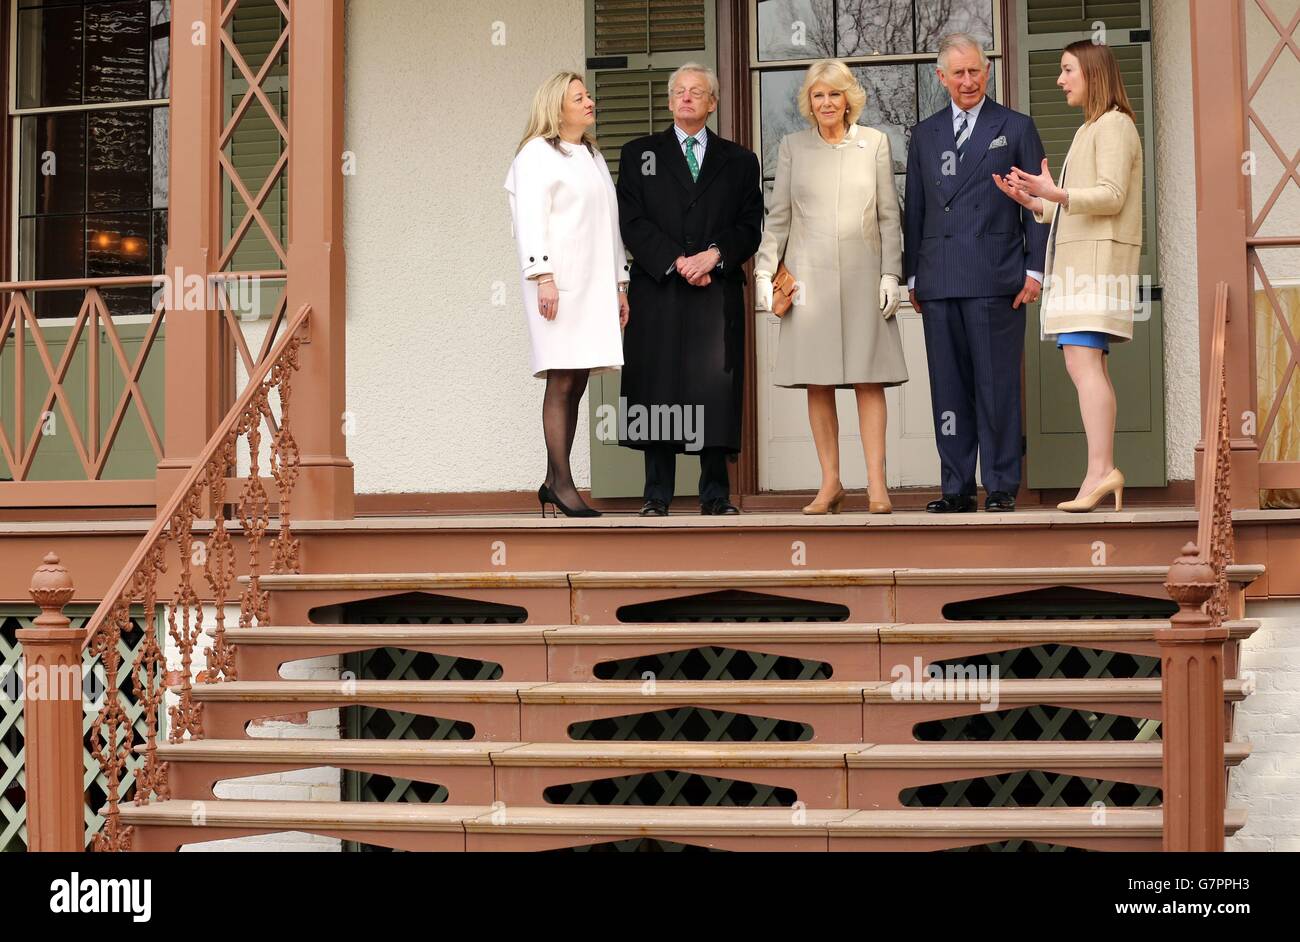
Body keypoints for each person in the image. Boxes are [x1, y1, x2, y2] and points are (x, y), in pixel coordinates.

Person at [994, 40, 1143, 513]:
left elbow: (1112, 196)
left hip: (1096, 269)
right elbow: (1077, 205)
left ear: (1093, 74)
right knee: (1084, 366)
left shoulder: (1115, 125)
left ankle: (1101, 471)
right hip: (1084, 266)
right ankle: (1101, 470)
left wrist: (1054, 193)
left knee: (1084, 366)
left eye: (1066, 71)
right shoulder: (1091, 129)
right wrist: (1036, 202)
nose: (1059, 80)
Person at [903, 32, 1049, 513]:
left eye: (976, 71)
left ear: (987, 72)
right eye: (958, 73)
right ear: (941, 77)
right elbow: (916, 211)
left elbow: (1037, 204)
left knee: (996, 385)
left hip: (997, 277)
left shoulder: (1016, 126)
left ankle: (1002, 483)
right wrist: (911, 276)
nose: (968, 80)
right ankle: (956, 487)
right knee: (948, 389)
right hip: (939, 280)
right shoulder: (924, 135)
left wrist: (1035, 269)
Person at [754, 59, 906, 515]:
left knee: (868, 379)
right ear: (809, 102)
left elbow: (888, 215)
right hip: (809, 283)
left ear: (848, 100)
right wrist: (764, 271)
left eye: (834, 94)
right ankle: (831, 483)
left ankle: (877, 485)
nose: (826, 103)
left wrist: (891, 273)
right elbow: (778, 217)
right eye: (818, 95)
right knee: (817, 383)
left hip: (864, 277)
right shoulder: (792, 147)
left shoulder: (875, 143)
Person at [616, 63, 764, 516]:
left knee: (712, 391)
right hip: (658, 288)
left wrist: (714, 256)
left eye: (696, 92)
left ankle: (715, 496)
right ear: (668, 101)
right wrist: (675, 261)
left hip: (714, 291)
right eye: (678, 91)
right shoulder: (640, 152)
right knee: (657, 388)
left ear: (712, 103)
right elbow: (631, 221)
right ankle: (656, 497)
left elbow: (749, 226)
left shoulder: (739, 160)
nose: (686, 98)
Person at [505, 71, 630, 518]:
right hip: (557, 284)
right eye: (580, 97)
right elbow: (529, 220)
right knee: (562, 377)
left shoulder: (591, 155)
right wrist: (542, 276)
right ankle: (561, 483)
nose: (590, 102)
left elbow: (609, 224)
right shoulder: (536, 155)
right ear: (558, 107)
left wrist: (620, 283)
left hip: (594, 283)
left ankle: (553, 480)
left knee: (577, 380)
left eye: (588, 95)